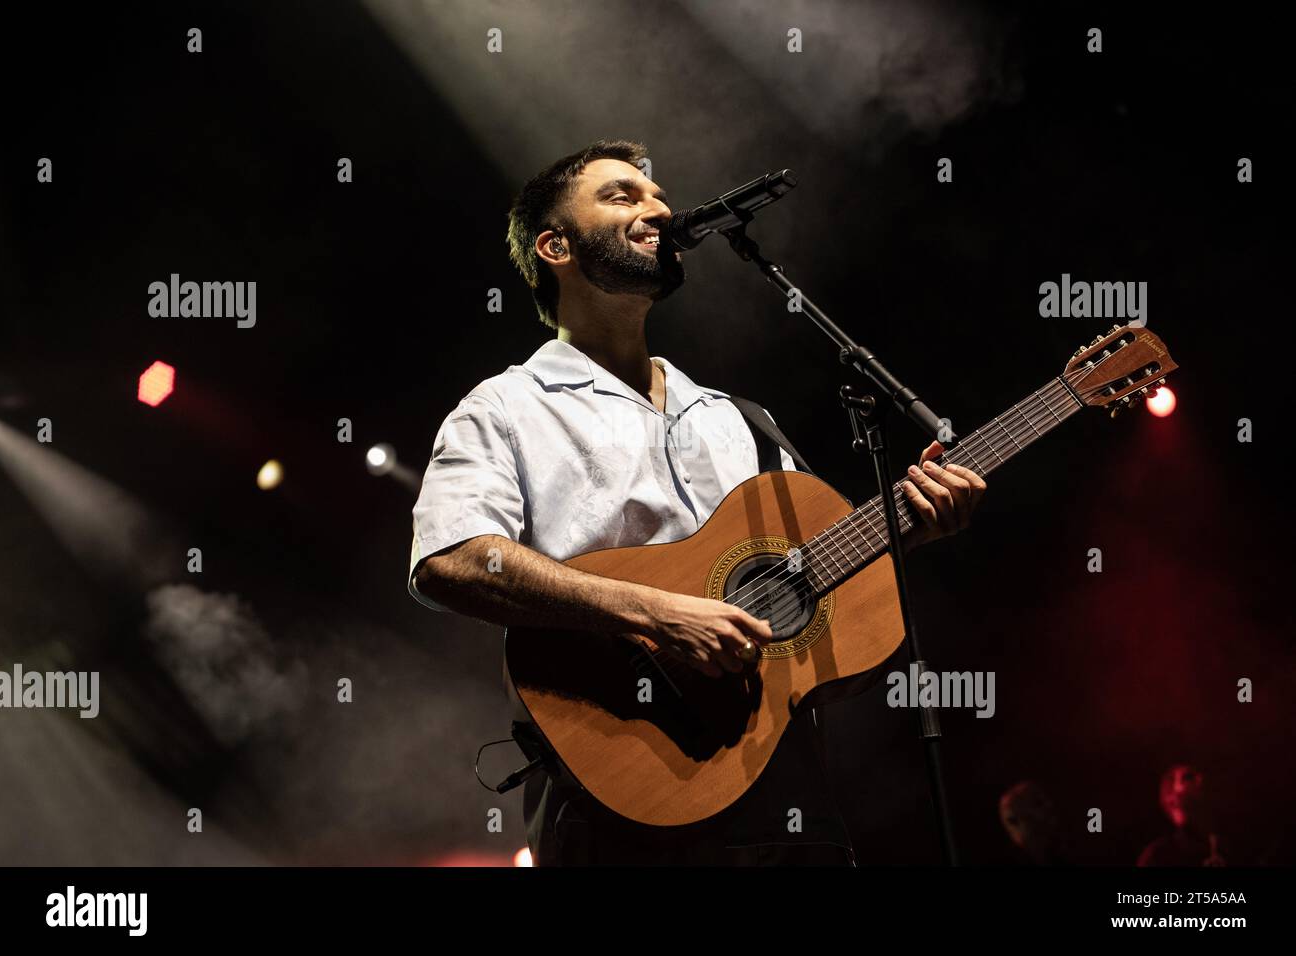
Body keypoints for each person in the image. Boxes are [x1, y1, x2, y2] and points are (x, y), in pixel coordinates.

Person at [407, 139, 986, 865]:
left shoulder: (737, 416)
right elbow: (449, 560)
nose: (658, 208)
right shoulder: (505, 407)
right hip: (621, 798)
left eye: (657, 195)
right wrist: (658, 613)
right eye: (623, 195)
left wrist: (912, 527)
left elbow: (809, 573)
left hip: (786, 800)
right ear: (554, 245)